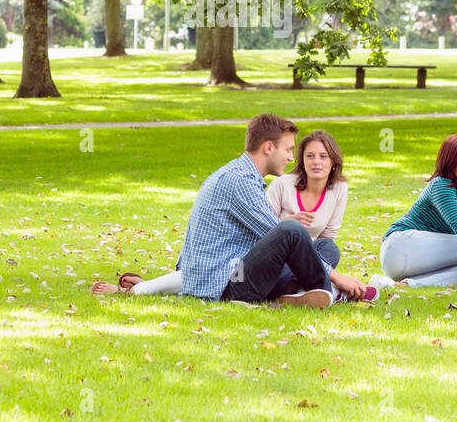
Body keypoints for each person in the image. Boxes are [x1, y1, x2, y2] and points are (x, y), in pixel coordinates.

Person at [95, 114, 371, 308]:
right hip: (229, 284)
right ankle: (330, 292)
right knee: (291, 230)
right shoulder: (239, 182)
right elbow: (278, 233)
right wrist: (338, 276)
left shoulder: (243, 175)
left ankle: (302, 293)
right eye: (288, 150)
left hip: (231, 268)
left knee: (325, 247)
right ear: (268, 147)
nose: (291, 158)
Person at [372, 134, 457, 288]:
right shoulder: (441, 186)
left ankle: (403, 285)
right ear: (449, 164)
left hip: (428, 258)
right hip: (399, 247)